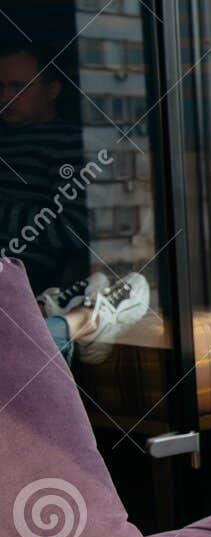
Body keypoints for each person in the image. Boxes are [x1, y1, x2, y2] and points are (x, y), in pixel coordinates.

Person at [0, 38, 148, 363]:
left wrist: (7, 216)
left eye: (18, 87)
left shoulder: (69, 144)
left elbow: (77, 228)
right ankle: (75, 320)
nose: (5, 97)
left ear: (51, 90)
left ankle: (68, 315)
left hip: (23, 274)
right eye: (1, 86)